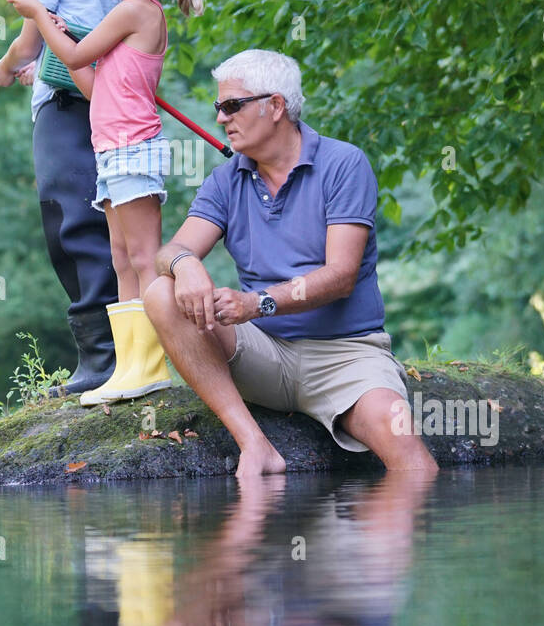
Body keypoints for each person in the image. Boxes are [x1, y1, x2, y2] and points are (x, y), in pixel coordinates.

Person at [144, 49, 439, 480]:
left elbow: (340, 277)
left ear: (276, 105)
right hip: (261, 355)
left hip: (347, 358)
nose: (222, 118)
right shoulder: (225, 180)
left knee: (415, 469)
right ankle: (256, 445)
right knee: (161, 292)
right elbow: (168, 252)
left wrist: (255, 304)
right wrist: (186, 264)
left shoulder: (344, 164)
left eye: (232, 106)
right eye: (218, 108)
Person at [7, 0, 204, 405]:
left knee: (143, 258)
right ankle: (128, 366)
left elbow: (76, 55)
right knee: (120, 259)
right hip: (111, 152)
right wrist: (54, 45)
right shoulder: (126, 19)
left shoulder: (137, 12)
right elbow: (93, 86)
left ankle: (154, 365)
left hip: (134, 151)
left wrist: (38, 16)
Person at [0, 0, 118, 395]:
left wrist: (5, 67)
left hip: (64, 114)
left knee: (70, 226)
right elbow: (83, 37)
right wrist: (39, 69)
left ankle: (100, 361)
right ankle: (118, 351)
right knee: (101, 219)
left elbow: (33, 38)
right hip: (105, 104)